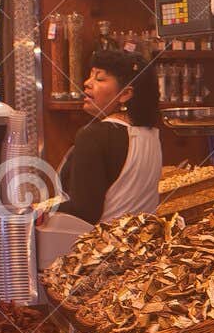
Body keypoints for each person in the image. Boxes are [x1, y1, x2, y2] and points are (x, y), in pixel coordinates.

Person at [57, 49, 162, 224]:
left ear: (125, 94)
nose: (87, 83)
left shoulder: (93, 136)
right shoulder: (151, 134)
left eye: (99, 79)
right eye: (90, 77)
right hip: (142, 243)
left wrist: (39, 210)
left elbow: (83, 212)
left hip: (99, 247)